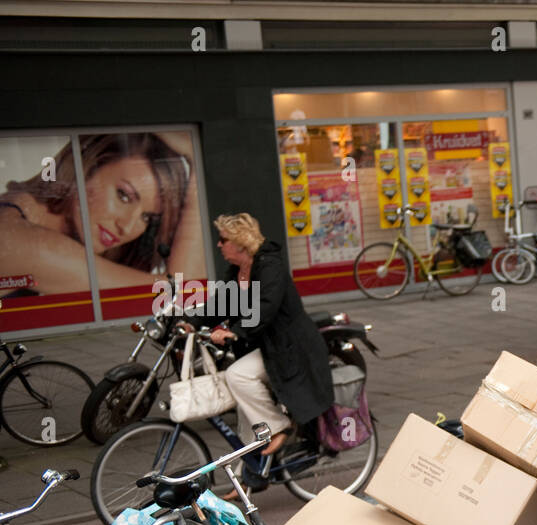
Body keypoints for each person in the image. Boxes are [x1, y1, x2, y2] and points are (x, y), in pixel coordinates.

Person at [205, 213, 333, 492]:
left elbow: (265, 307)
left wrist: (236, 332)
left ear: (239, 243)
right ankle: (249, 475)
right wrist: (187, 321)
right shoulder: (238, 271)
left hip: (290, 346)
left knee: (238, 376)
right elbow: (220, 304)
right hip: (268, 345)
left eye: (223, 240)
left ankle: (279, 425)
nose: (219, 245)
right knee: (243, 410)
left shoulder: (269, 266)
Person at [0, 132, 203, 297]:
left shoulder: (27, 215)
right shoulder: (19, 241)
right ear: (84, 169)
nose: (128, 227)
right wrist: (197, 159)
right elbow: (184, 292)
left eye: (147, 217)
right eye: (123, 196)